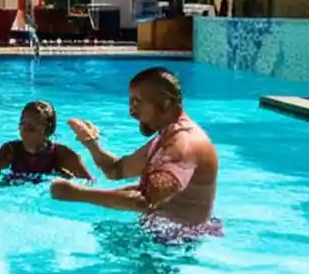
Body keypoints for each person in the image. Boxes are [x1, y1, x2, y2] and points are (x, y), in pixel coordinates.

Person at [50, 67, 222, 242]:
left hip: (178, 246)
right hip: (164, 237)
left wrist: (75, 194)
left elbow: (144, 200)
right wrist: (92, 144)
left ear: (165, 103)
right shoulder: (166, 137)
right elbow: (116, 170)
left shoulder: (184, 144)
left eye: (137, 102)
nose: (131, 112)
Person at [0, 100, 93, 185]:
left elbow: (89, 182)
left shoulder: (61, 154)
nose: (25, 132)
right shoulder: (9, 150)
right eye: (22, 125)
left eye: (31, 129)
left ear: (47, 131)